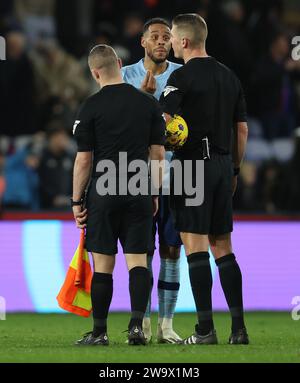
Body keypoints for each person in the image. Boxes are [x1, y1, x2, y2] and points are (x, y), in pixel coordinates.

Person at [160, 14, 249, 345]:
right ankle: (239, 329)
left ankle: (205, 330)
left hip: (191, 164)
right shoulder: (230, 77)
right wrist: (235, 169)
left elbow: (164, 120)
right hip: (224, 164)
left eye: (170, 37)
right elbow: (242, 129)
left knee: (194, 244)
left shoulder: (180, 78)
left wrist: (166, 136)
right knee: (223, 245)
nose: (169, 42)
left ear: (184, 41)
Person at [72, 44, 165, 346]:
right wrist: (154, 192)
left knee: (104, 266)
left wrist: (76, 201)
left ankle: (99, 332)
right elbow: (158, 154)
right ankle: (137, 327)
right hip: (138, 187)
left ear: (94, 72)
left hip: (103, 189)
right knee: (138, 262)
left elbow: (84, 160)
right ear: (120, 64)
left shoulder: (90, 107)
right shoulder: (148, 104)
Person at [122, 17, 182, 344]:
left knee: (172, 249)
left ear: (173, 43)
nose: (161, 42)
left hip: (177, 176)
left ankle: (167, 325)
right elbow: (120, 125)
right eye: (155, 37)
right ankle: (142, 324)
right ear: (142, 42)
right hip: (136, 178)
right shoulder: (125, 77)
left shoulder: (182, 76)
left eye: (166, 37)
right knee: (141, 252)